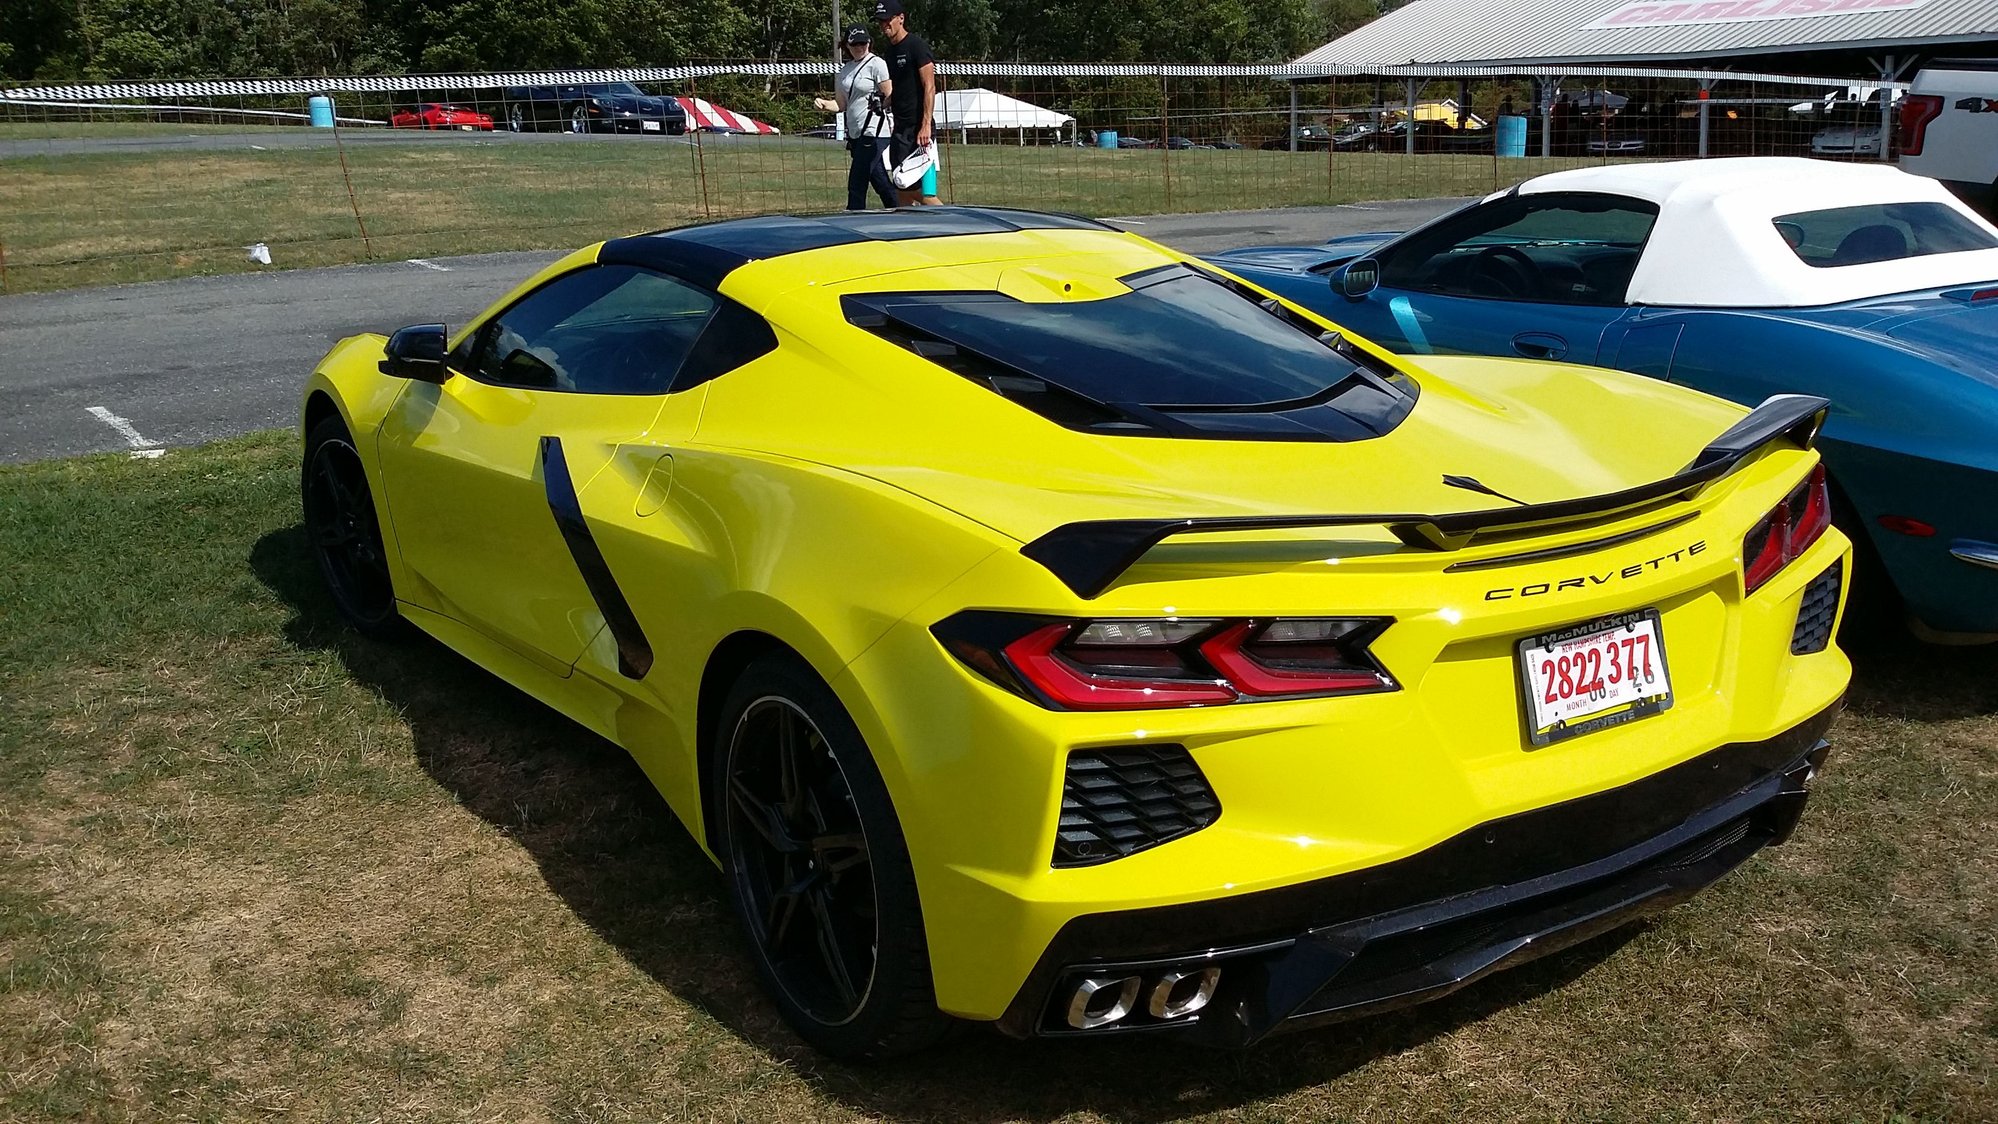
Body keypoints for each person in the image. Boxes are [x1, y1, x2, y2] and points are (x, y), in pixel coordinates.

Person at [873, 0, 940, 205]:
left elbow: (930, 86)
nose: (884, 26)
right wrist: (884, 103)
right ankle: (906, 230)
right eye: (880, 22)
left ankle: (950, 220)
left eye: (887, 20)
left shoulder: (916, 46)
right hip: (900, 129)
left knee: (916, 188)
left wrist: (925, 125)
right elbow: (900, 88)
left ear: (901, 18)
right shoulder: (890, 52)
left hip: (918, 128)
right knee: (900, 186)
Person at [831, 25, 895, 209]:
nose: (860, 47)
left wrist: (879, 103)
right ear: (847, 45)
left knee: (857, 181)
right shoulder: (845, 71)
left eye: (863, 43)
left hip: (874, 130)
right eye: (855, 44)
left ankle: (853, 215)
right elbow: (841, 104)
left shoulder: (877, 64)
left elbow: (889, 95)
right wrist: (824, 104)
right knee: (879, 180)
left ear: (869, 43)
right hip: (856, 133)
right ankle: (899, 209)